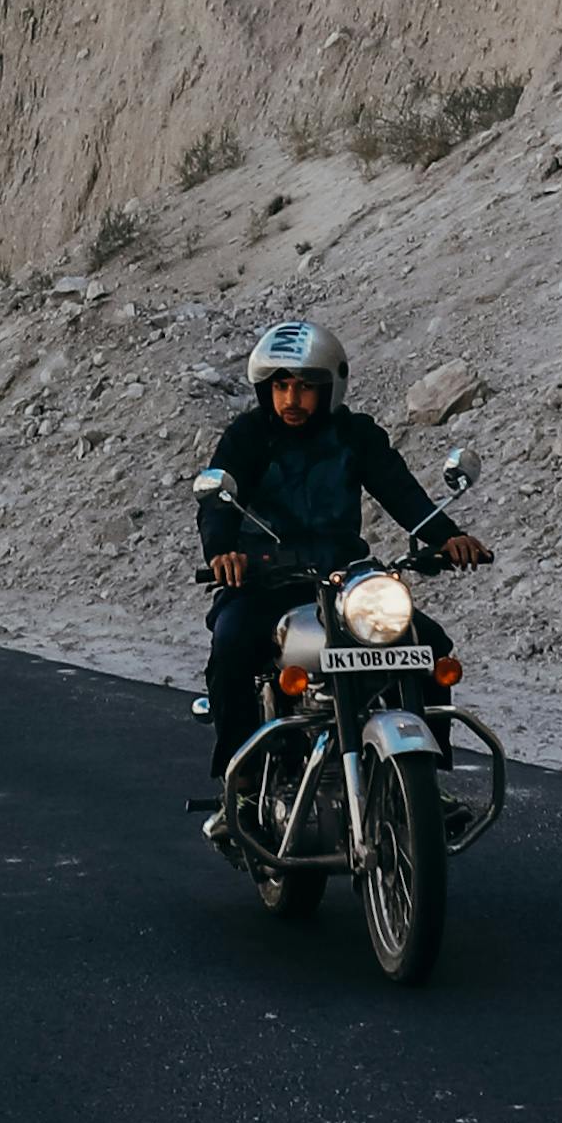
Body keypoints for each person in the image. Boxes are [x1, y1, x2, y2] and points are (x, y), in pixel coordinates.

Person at [195, 313, 488, 817]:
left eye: (307, 387)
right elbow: (219, 499)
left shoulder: (354, 436)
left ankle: (424, 784)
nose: (292, 399)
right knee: (232, 644)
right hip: (266, 578)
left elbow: (400, 491)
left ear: (330, 388)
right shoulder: (248, 436)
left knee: (427, 644)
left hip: (345, 580)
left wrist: (448, 537)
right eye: (281, 385)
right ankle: (239, 783)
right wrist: (223, 554)